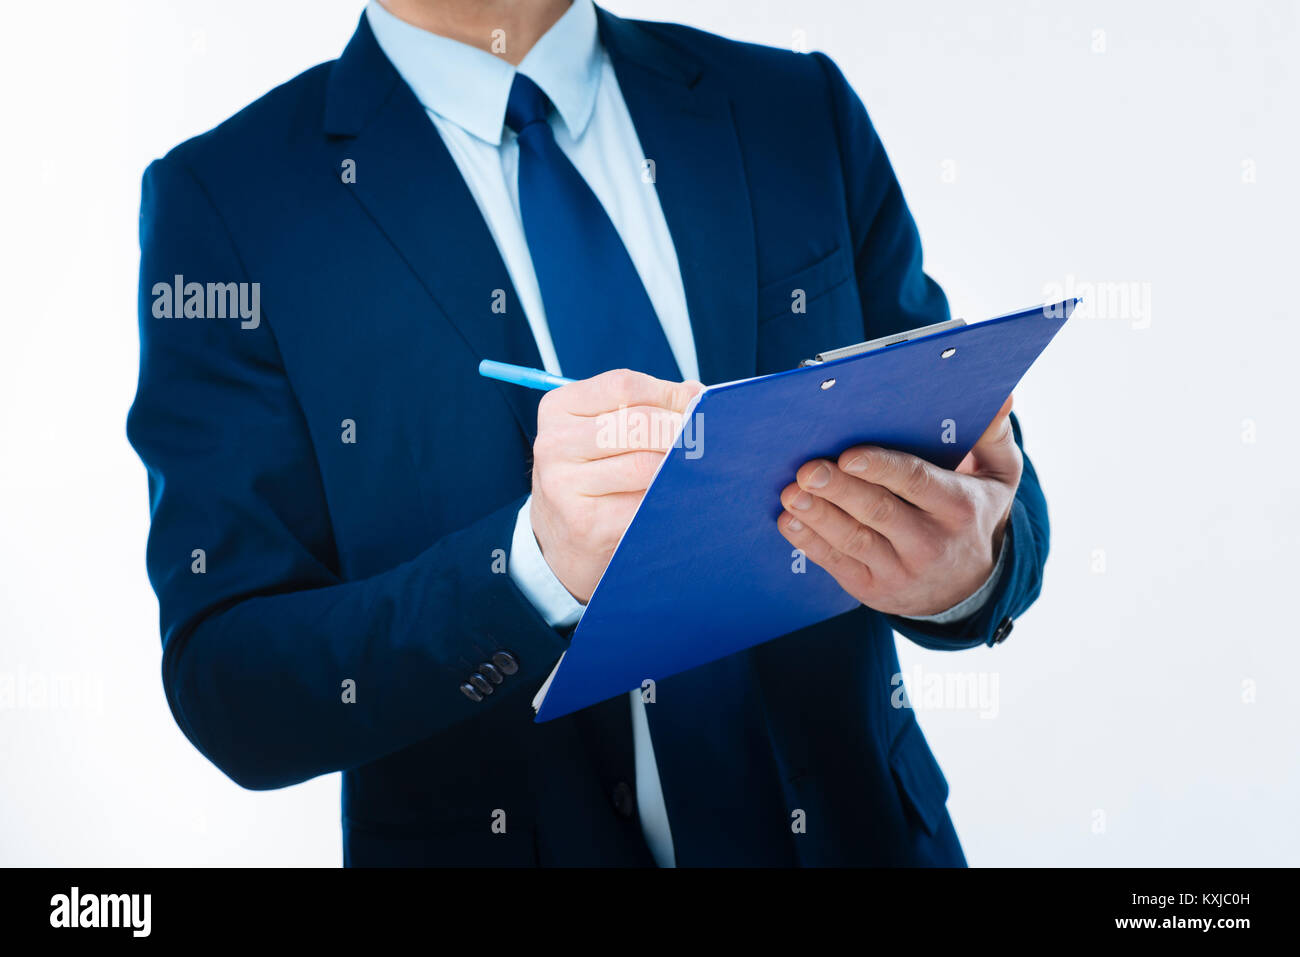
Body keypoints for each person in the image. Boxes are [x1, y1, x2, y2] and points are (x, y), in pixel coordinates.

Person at [127, 0, 1048, 866]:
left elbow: (980, 469)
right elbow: (232, 680)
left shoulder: (793, 107)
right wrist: (530, 569)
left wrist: (967, 569)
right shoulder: (232, 206)